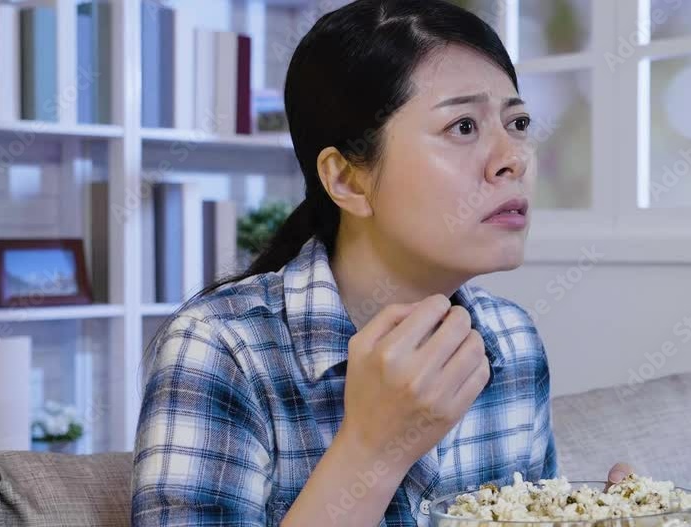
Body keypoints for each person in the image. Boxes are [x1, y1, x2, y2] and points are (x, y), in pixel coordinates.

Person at [130, 1, 630, 525]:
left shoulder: (512, 341)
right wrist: (373, 448)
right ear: (347, 180)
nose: (515, 157)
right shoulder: (221, 347)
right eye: (463, 126)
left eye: (518, 121)